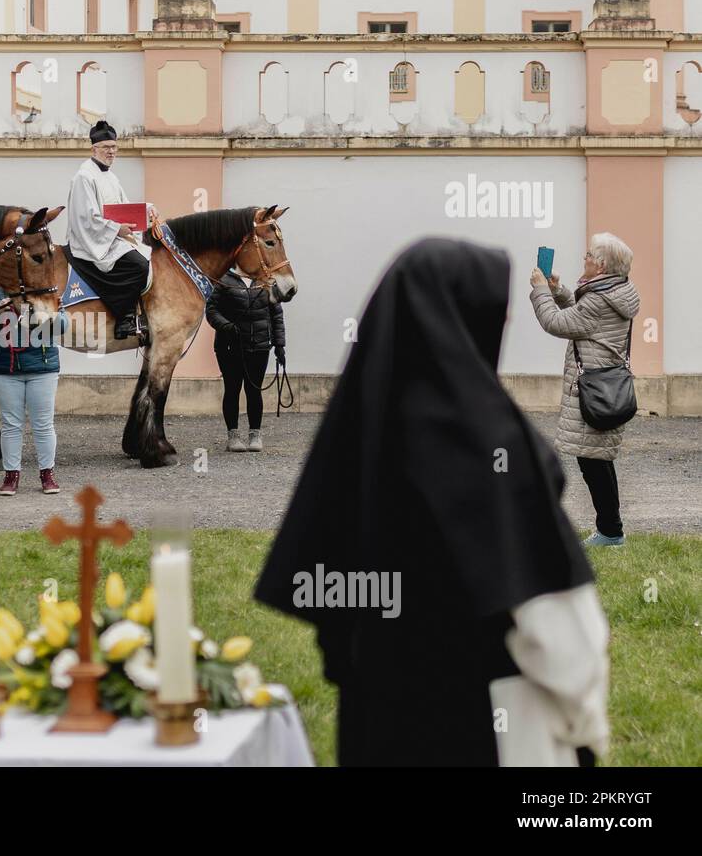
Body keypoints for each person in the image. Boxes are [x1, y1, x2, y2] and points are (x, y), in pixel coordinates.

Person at [255, 239, 610, 767]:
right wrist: (586, 727)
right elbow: (557, 630)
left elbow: (332, 597)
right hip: (494, 723)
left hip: (381, 719)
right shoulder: (488, 441)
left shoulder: (361, 435)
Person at [530, 233, 640, 548]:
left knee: (595, 462)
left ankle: (611, 532)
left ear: (603, 266)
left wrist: (539, 290)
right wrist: (557, 289)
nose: (585, 258)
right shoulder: (616, 290)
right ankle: (610, 530)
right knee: (595, 460)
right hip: (606, 383)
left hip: (594, 390)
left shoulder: (597, 299)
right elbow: (582, 314)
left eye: (590, 255)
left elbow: (556, 322)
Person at [0, 287, 68, 496]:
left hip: (43, 369)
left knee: (43, 424)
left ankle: (47, 474)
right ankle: (11, 475)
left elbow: (62, 326)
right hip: (5, 370)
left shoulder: (46, 292)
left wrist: (45, 311)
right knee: (11, 425)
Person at [65, 120, 156, 341]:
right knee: (138, 265)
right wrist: (117, 229)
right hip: (91, 240)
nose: (111, 152)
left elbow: (123, 207)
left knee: (148, 255)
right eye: (106, 147)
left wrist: (147, 210)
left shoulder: (110, 176)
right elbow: (86, 218)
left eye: (114, 147)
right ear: (93, 149)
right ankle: (123, 319)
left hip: (110, 236)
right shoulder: (84, 177)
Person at [205, 268, 287, 452]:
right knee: (232, 389)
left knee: (254, 390)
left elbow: (276, 315)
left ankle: (255, 435)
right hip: (230, 347)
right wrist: (225, 326)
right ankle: (232, 436)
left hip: (259, 346)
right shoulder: (224, 280)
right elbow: (211, 310)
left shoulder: (266, 281)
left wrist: (279, 344)